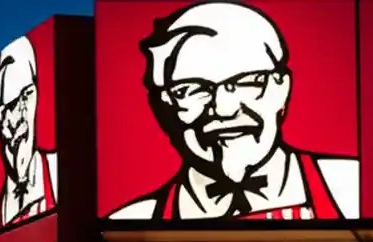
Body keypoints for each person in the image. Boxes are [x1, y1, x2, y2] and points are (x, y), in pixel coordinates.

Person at [108, 2, 358, 220]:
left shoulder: (352, 189)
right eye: (193, 89)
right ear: (166, 104)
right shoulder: (134, 220)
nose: (224, 109)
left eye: (248, 82)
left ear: (282, 88)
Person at [0, 35, 58, 236]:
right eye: (0, 113)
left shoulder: (60, 175)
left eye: (13, 106)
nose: (7, 125)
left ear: (31, 98)